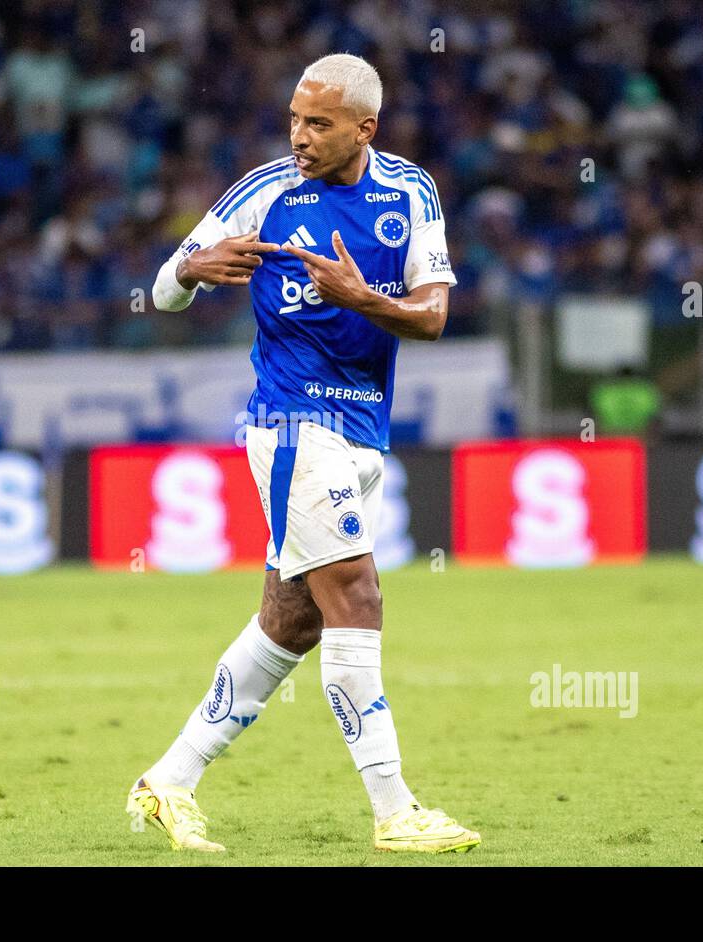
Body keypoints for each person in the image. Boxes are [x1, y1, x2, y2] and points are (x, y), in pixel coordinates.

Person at [134, 54, 479, 854]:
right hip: (292, 425)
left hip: (362, 431)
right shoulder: (262, 193)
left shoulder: (411, 191)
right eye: (294, 118)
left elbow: (430, 318)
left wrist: (361, 297)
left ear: (366, 128)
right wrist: (191, 268)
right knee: (356, 598)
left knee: (291, 621)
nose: (299, 136)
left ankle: (167, 782)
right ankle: (395, 812)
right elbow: (161, 287)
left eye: (318, 124)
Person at [590, 365, 661, 436]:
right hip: (639, 435)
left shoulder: (604, 391)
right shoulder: (646, 391)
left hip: (610, 435)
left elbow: (596, 415)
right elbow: (653, 417)